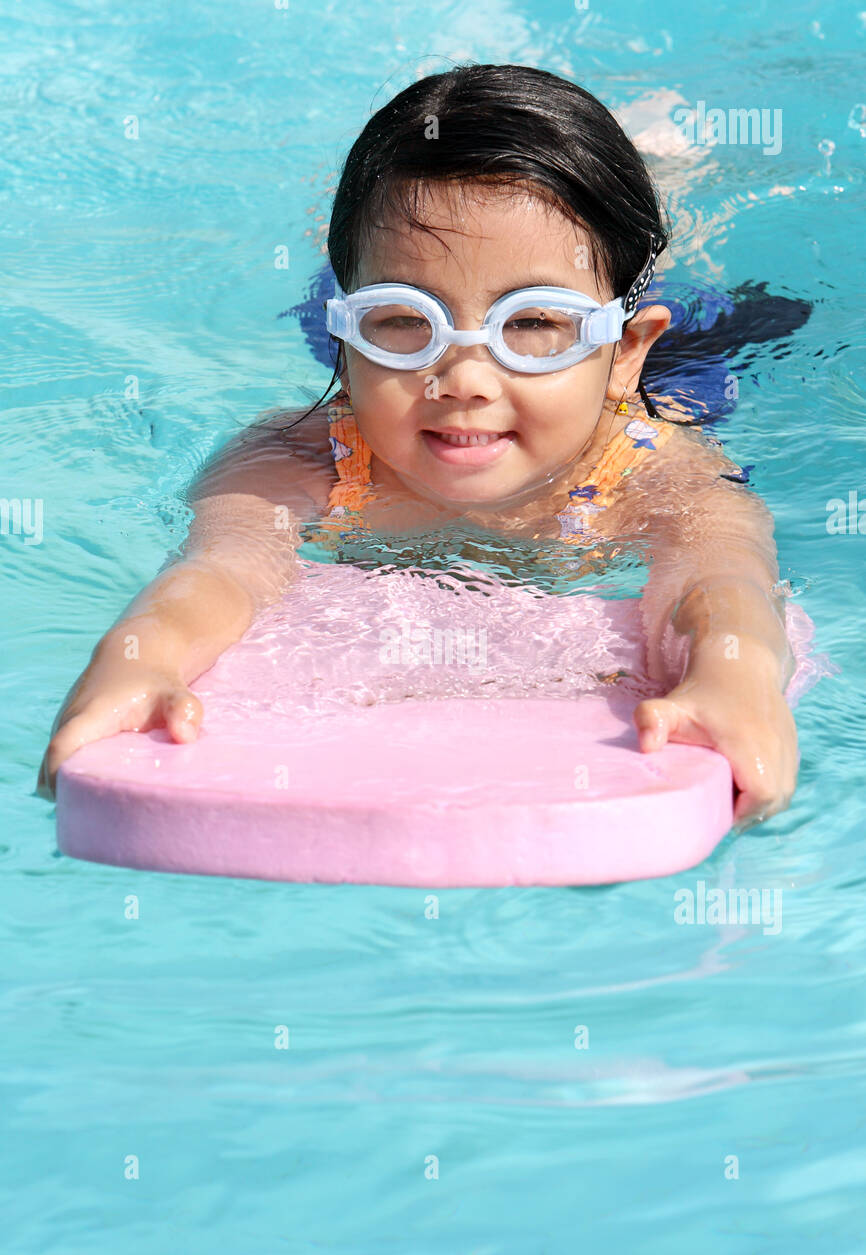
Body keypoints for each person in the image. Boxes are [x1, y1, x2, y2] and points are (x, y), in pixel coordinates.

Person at [37, 64, 797, 827]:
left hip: (670, 372)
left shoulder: (654, 471)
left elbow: (719, 575)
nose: (465, 378)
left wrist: (738, 677)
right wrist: (141, 657)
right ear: (352, 330)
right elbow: (222, 567)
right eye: (400, 318)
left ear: (622, 351)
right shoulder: (306, 457)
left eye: (533, 322)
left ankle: (670, 175)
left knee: (678, 286)